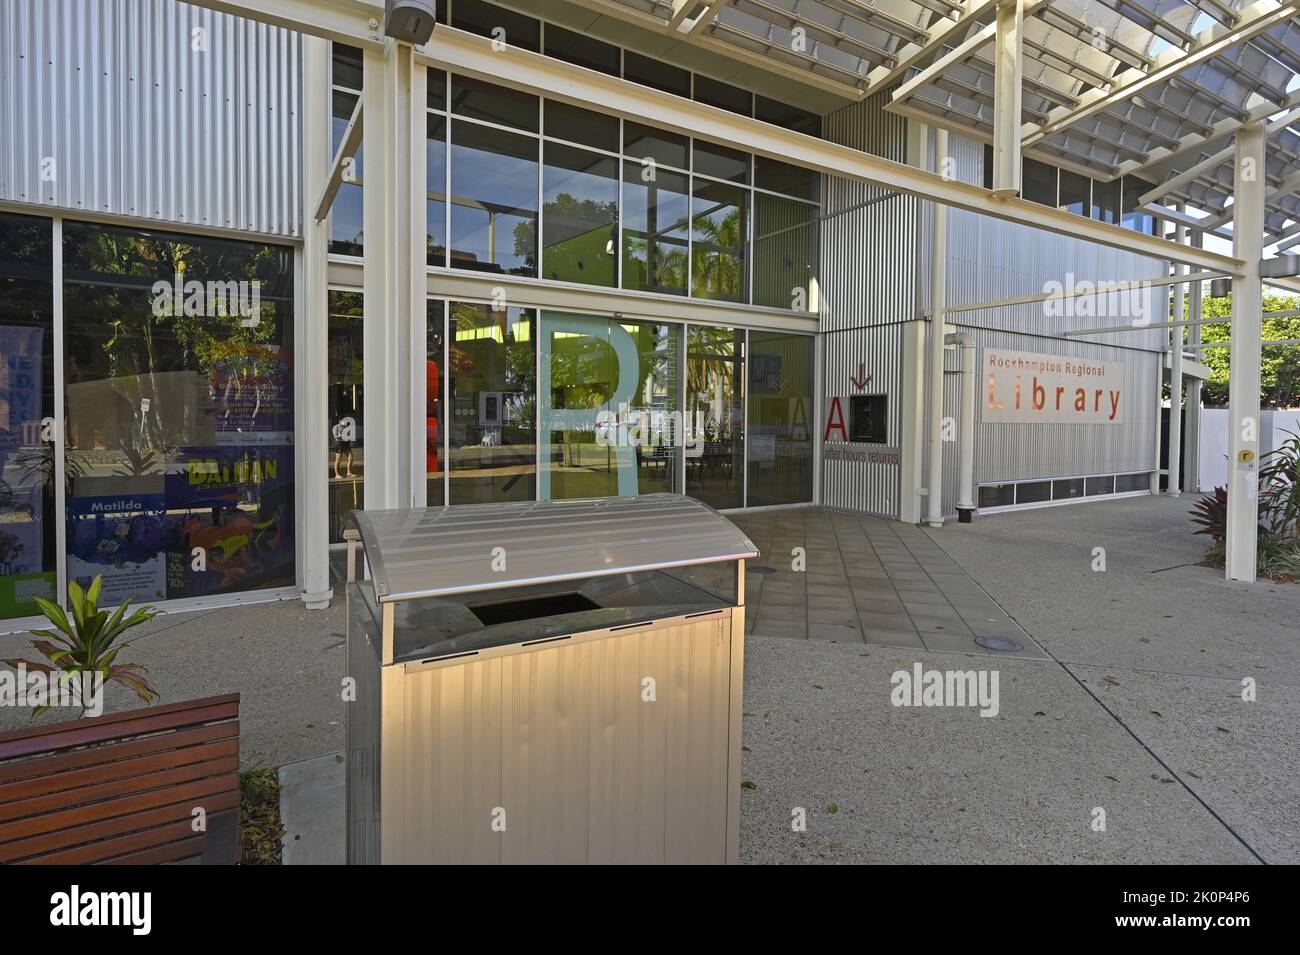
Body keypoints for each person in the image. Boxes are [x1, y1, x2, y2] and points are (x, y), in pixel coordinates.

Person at [331, 414, 354, 480]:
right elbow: (335, 436)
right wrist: (343, 435)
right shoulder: (336, 427)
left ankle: (349, 472)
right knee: (338, 459)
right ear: (339, 421)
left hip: (346, 443)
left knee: (351, 458)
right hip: (339, 444)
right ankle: (337, 475)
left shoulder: (346, 427)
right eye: (343, 420)